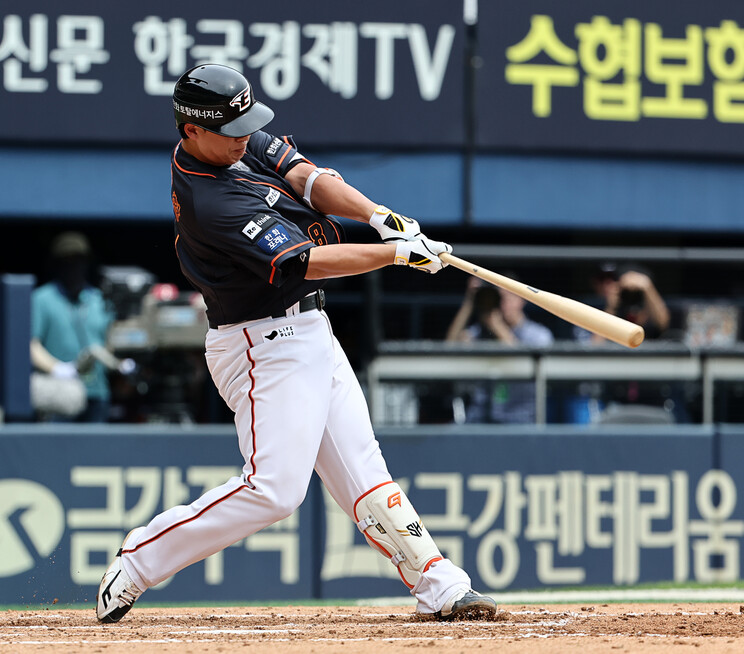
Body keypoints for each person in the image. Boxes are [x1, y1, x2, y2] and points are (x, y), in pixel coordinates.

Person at [96, 64, 496, 624]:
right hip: (261, 345)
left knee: (364, 468)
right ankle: (141, 559)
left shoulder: (233, 138)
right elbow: (307, 263)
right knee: (274, 492)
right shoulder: (211, 205)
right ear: (191, 130)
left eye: (246, 125)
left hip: (308, 332)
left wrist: (380, 218)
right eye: (232, 129)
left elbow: (308, 178)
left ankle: (440, 585)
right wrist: (394, 254)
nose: (245, 137)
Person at [30, 232, 117, 422]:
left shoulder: (99, 300)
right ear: (57, 265)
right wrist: (58, 369)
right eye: (67, 262)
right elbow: (31, 346)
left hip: (97, 392)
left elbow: (112, 341)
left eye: (79, 261)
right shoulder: (42, 299)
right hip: (60, 393)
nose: (74, 268)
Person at [446, 277, 554, 423]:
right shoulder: (482, 332)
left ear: (522, 299)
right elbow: (449, 346)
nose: (502, 304)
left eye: (507, 298)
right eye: (499, 298)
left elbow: (522, 362)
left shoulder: (538, 334)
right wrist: (470, 302)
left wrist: (498, 327)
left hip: (520, 416)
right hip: (481, 417)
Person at [575, 262, 670, 344]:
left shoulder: (639, 303)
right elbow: (595, 346)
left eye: (612, 279)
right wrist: (611, 308)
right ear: (594, 283)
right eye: (602, 279)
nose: (607, 284)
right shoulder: (590, 306)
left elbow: (663, 324)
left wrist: (647, 287)